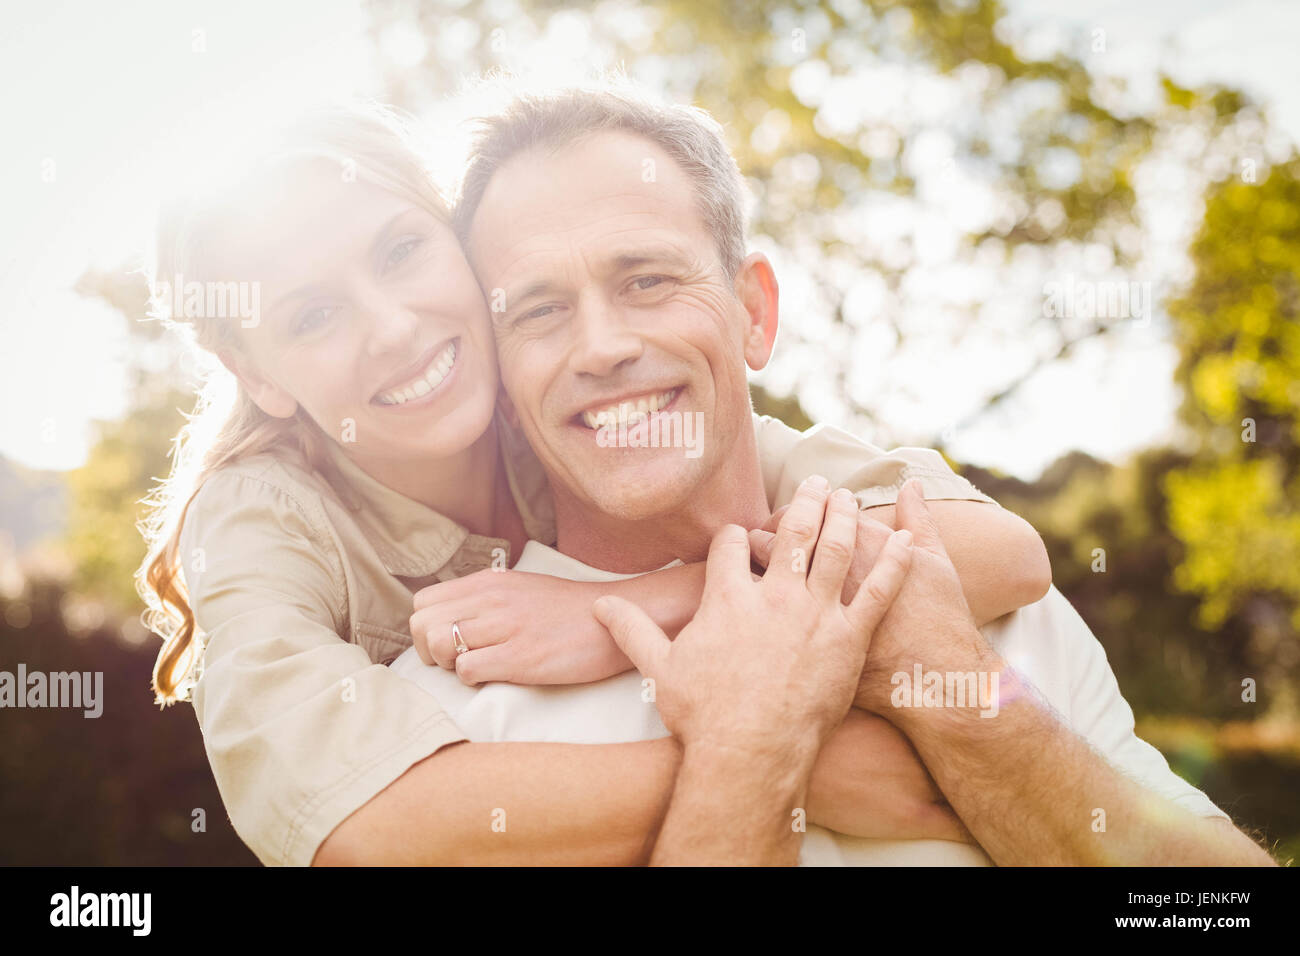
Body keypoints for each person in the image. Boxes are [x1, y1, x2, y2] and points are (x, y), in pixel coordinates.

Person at [139, 102, 1050, 866]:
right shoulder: (259, 520)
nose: (394, 327)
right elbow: (357, 820)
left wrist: (623, 611)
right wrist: (788, 756)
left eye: (400, 252)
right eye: (313, 315)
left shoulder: (583, 398)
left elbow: (997, 550)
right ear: (257, 375)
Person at [386, 86, 1273, 865]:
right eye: (538, 311)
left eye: (648, 280)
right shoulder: (447, 731)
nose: (605, 345)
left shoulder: (963, 594)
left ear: (754, 314)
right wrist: (753, 749)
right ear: (499, 386)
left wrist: (963, 709)